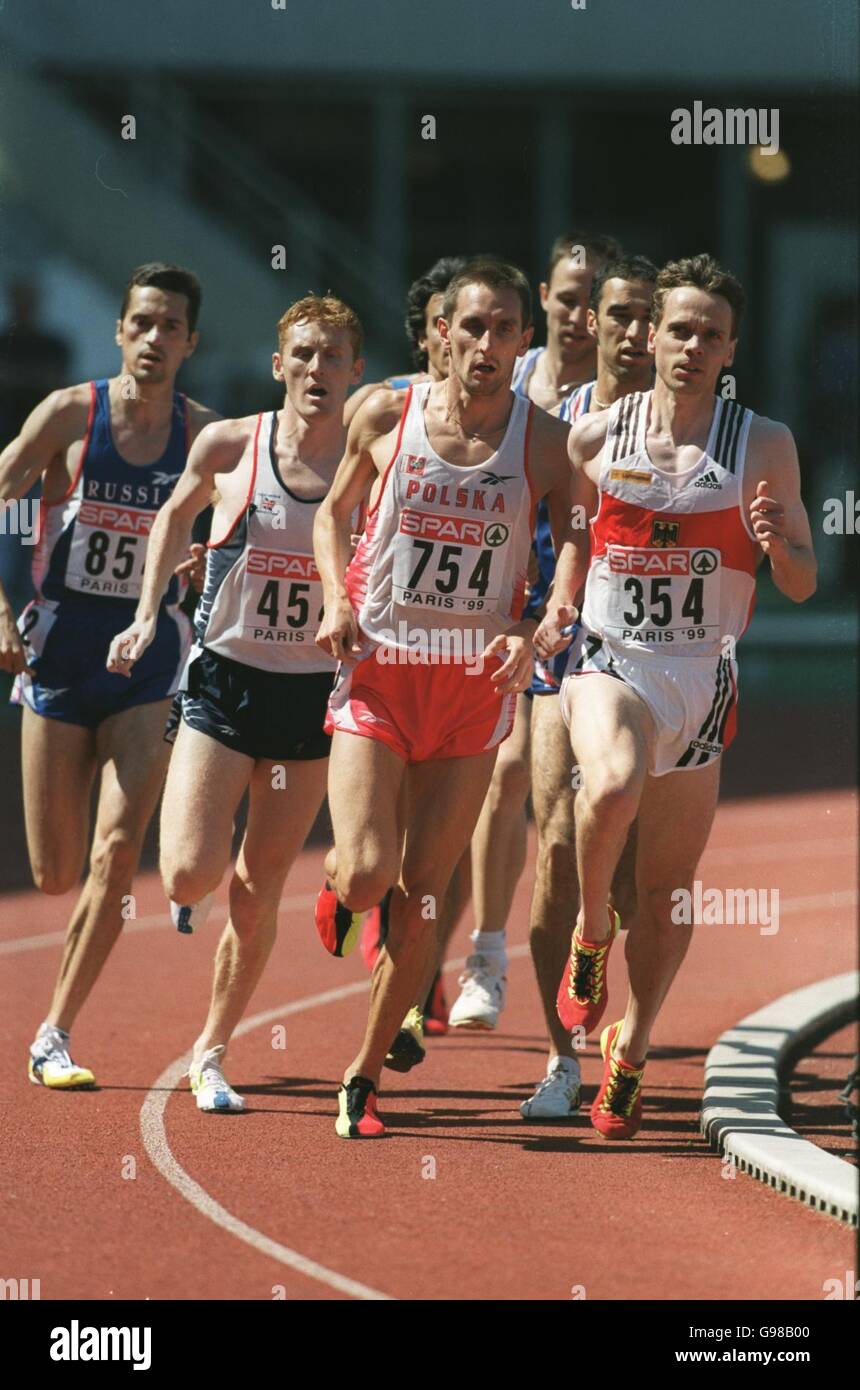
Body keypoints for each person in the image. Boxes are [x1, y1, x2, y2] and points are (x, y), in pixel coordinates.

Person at [536, 253, 816, 1138]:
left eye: (711, 335)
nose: (692, 346)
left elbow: (804, 582)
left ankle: (636, 1041)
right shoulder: (594, 435)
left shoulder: (762, 443)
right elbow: (574, 540)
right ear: (649, 335)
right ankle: (588, 934)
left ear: (732, 350)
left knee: (666, 893)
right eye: (679, 329)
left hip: (701, 676)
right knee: (611, 786)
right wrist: (557, 611)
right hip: (609, 656)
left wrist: (778, 547)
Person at [312, 257, 573, 1137]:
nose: (488, 344)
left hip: (471, 689)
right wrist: (336, 597)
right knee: (367, 874)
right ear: (437, 334)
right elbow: (330, 510)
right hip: (382, 671)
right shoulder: (385, 412)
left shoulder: (541, 442)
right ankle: (343, 883)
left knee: (424, 895)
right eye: (472, 327)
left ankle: (363, 1077)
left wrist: (536, 622)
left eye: (506, 328)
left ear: (524, 342)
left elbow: (579, 536)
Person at [107, 296, 364, 1111]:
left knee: (257, 892)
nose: (318, 370)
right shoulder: (230, 444)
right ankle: (192, 897)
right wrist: (150, 615)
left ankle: (211, 1050)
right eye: (304, 354)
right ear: (279, 363)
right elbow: (170, 518)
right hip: (223, 680)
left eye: (334, 358)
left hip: (309, 701)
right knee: (188, 872)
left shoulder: (374, 465)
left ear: (356, 373)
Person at [0, 262, 217, 1088]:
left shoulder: (206, 437)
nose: (155, 339)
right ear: (120, 331)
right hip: (58, 660)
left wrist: (211, 560)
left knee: (117, 852)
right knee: (55, 872)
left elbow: (262, 516)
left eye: (171, 326)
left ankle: (54, 1032)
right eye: (143, 323)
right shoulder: (69, 414)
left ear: (190, 342)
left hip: (149, 663)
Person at [448, 232, 620, 1032]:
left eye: (598, 300)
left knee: (555, 803)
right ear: (541, 303)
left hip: (573, 612)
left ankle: (556, 968)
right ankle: (482, 958)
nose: (582, 315)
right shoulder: (500, 371)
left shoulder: (616, 394)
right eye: (569, 297)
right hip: (490, 606)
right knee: (499, 770)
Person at [520, 254, 656, 1120]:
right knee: (558, 854)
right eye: (622, 316)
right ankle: (557, 1057)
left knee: (635, 872)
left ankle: (626, 1035)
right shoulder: (548, 425)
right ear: (592, 324)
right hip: (561, 656)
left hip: (655, 662)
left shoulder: (689, 426)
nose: (637, 334)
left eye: (651, 316)